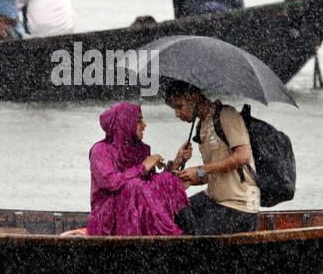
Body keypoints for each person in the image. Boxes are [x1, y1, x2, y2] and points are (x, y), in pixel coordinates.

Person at [164, 80, 260, 235]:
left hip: (238, 206)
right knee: (170, 210)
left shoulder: (227, 115)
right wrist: (190, 178)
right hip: (213, 200)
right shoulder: (202, 126)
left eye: (179, 106)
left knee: (193, 235)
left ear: (193, 97)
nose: (177, 114)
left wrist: (201, 170)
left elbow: (243, 155)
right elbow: (215, 173)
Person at [87, 102, 188, 236]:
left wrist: (176, 162)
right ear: (125, 123)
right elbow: (111, 182)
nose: (144, 125)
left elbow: (151, 187)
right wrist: (143, 167)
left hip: (136, 212)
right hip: (109, 215)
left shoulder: (139, 149)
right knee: (134, 186)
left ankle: (178, 230)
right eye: (139, 121)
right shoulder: (100, 151)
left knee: (166, 180)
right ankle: (160, 233)